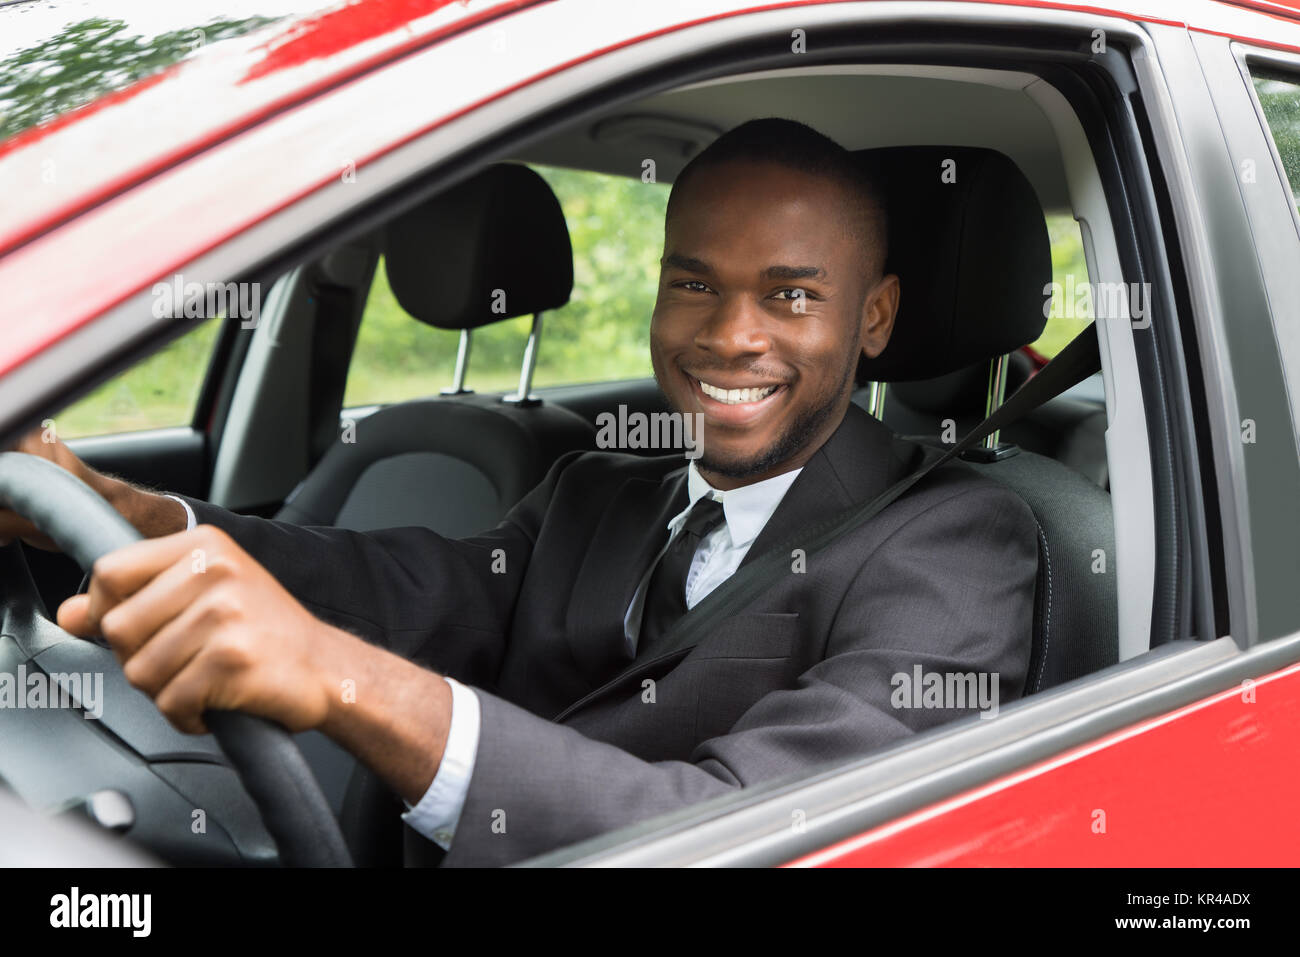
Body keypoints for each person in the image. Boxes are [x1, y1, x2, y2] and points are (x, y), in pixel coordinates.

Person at [0, 118, 1037, 866]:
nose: (731, 335)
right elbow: (397, 589)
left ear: (874, 316)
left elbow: (758, 830)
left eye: (791, 295)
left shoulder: (956, 544)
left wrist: (342, 678)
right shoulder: (594, 490)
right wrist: (138, 516)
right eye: (693, 283)